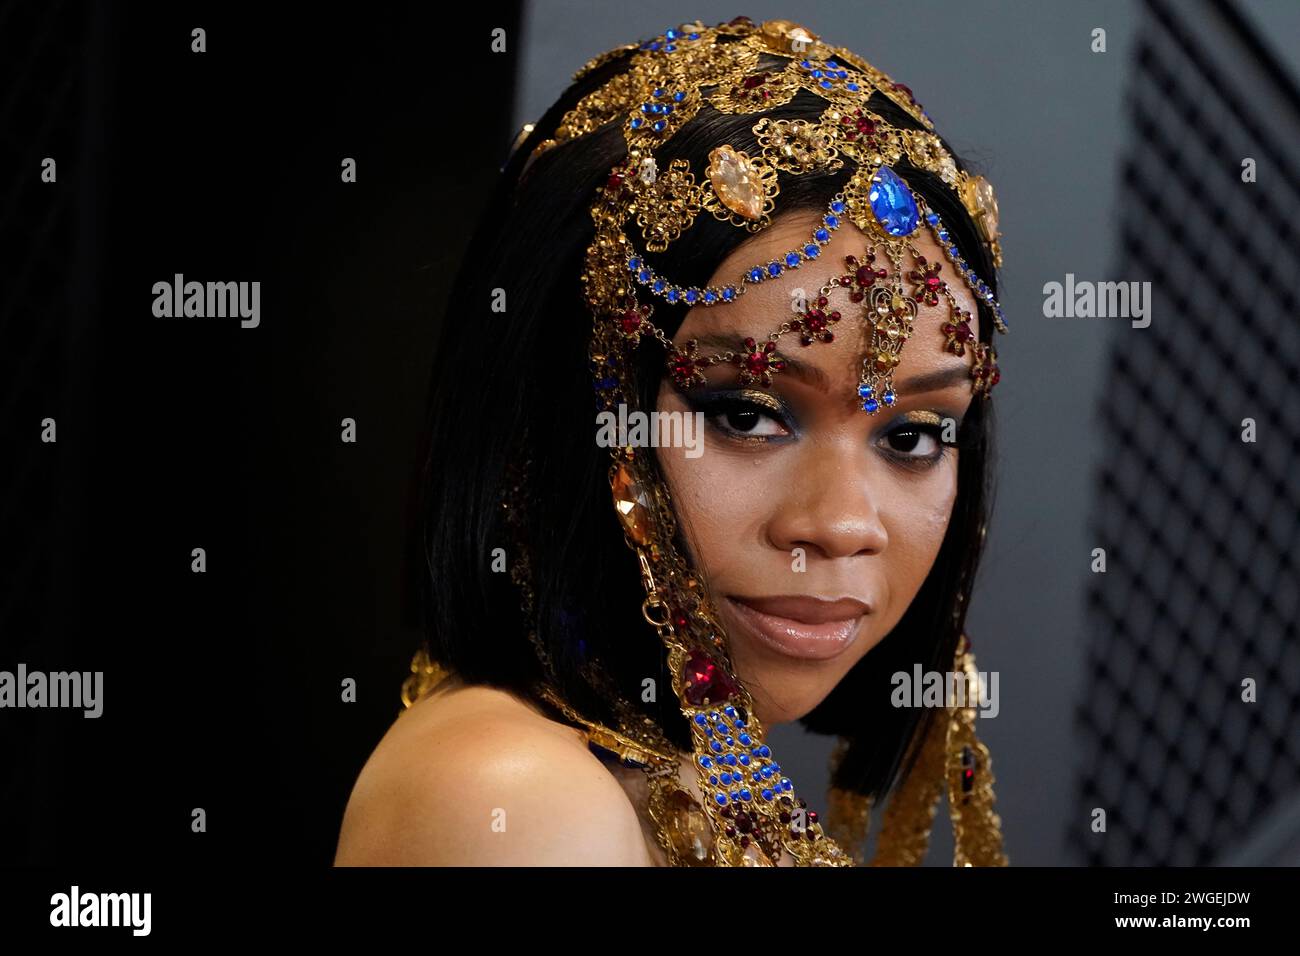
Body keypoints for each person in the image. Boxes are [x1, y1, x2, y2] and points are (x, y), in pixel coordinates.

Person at [335, 16, 1008, 867]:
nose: (841, 527)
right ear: (564, 407)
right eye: (747, 413)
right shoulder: (514, 798)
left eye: (912, 434)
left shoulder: (655, 779)